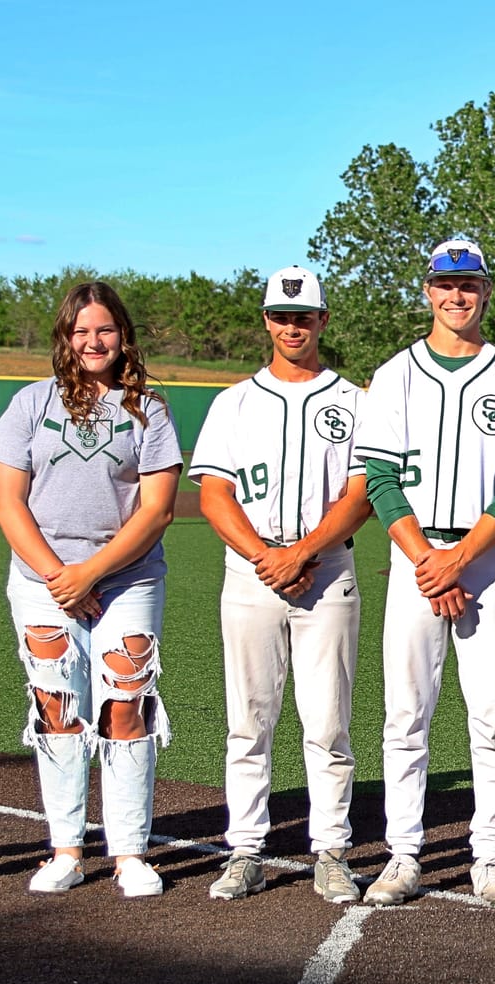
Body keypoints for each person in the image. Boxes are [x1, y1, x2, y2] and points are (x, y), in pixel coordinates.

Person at [355, 239, 495, 908]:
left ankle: (490, 854)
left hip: (482, 561)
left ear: (485, 291)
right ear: (428, 291)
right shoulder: (394, 374)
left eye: (468, 285)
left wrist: (458, 559)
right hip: (415, 560)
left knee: (492, 714)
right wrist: (429, 560)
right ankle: (404, 853)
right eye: (444, 284)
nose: (456, 296)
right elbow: (380, 478)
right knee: (406, 714)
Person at [0, 281, 180, 897]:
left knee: (126, 703)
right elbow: (6, 501)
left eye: (105, 330)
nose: (93, 342)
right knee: (57, 706)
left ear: (123, 336)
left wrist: (89, 574)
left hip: (127, 579)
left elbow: (157, 510)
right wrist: (59, 576)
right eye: (81, 331)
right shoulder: (29, 403)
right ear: (65, 338)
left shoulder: (148, 408)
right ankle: (65, 850)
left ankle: (129, 853)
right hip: (43, 581)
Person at [194, 266, 371, 904]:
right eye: (281, 317)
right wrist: (267, 556)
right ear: (267, 321)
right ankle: (245, 849)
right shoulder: (234, 402)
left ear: (323, 320)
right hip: (252, 572)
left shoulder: (354, 400)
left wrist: (301, 553)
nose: (292, 327)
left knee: (327, 721)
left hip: (326, 571)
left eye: (304, 317)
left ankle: (331, 850)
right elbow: (214, 495)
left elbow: (361, 495)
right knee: (249, 720)